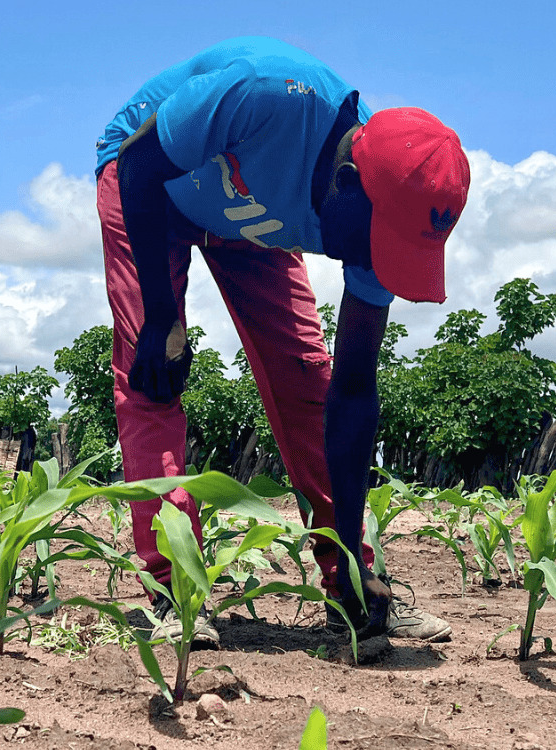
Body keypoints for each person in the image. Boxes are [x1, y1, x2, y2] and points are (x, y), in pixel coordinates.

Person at [95, 36, 470, 646]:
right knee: (154, 379)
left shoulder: (387, 209)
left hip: (243, 210)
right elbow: (140, 164)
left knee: (308, 383)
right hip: (152, 181)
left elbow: (351, 391)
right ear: (344, 182)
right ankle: (173, 591)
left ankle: (350, 580)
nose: (376, 263)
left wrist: (352, 556)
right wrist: (163, 317)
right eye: (376, 245)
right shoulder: (266, 95)